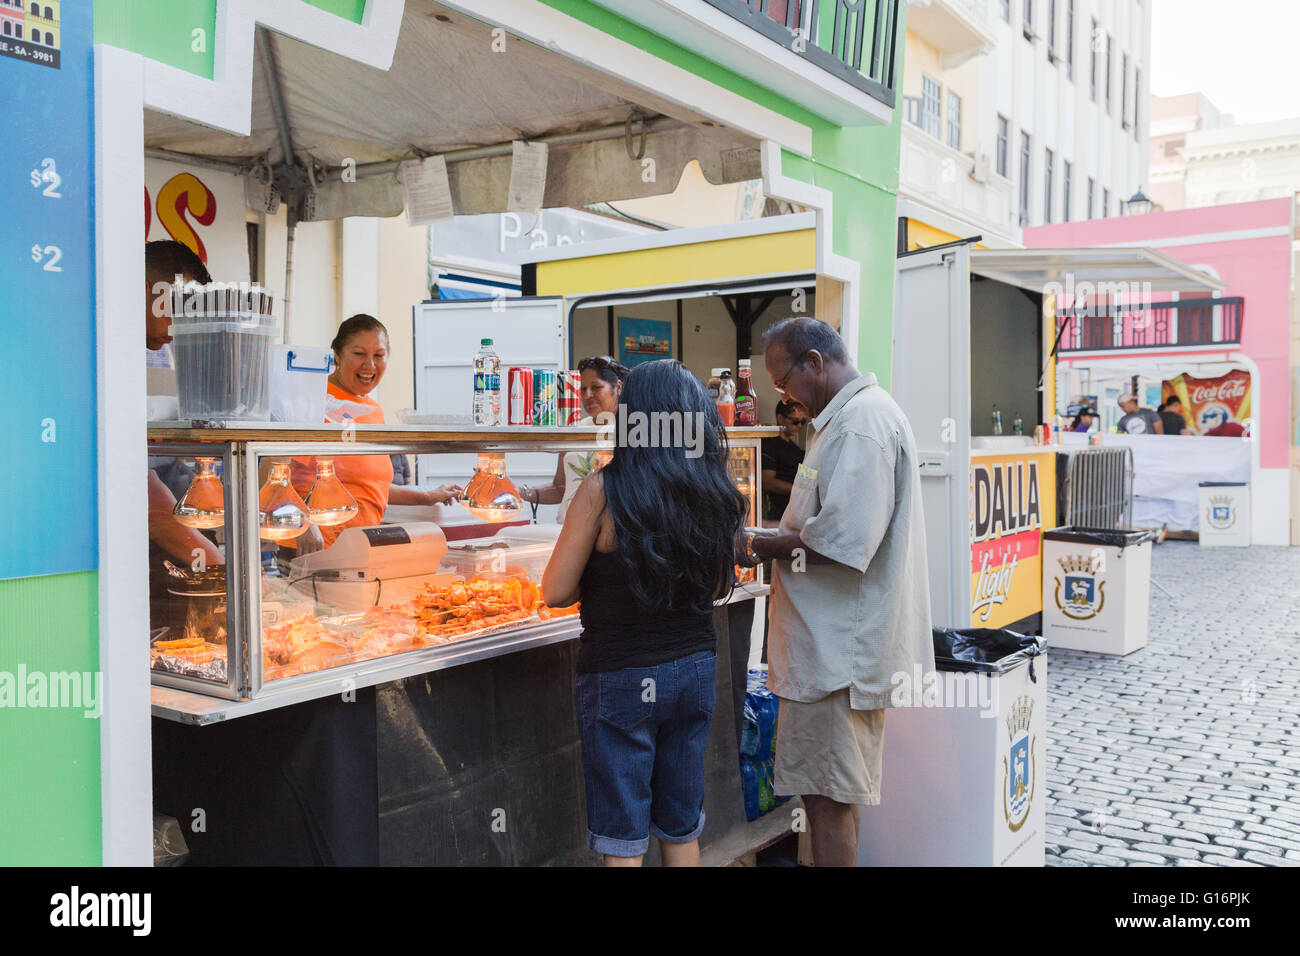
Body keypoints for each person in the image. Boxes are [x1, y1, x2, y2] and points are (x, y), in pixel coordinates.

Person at [735, 316, 933, 868]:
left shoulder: (860, 425)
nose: (785, 396)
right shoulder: (841, 422)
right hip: (828, 655)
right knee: (833, 796)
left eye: (782, 382)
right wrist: (774, 539)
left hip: (838, 659)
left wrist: (758, 542)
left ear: (816, 362)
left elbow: (844, 543)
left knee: (828, 801)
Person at [541, 359, 744, 867]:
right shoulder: (715, 491)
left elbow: (555, 592)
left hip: (620, 676)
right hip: (695, 670)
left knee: (623, 837)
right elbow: (722, 583)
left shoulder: (602, 491)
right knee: (680, 826)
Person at [292, 315, 461, 549]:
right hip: (313, 547)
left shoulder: (373, 410)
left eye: (378, 356)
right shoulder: (314, 400)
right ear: (337, 355)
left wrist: (427, 497)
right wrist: (304, 526)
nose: (369, 365)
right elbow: (278, 475)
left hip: (359, 545)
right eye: (359, 354)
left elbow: (371, 487)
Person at [144, 241, 224, 572]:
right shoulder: (90, 350)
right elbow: (151, 507)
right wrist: (223, 569)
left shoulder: (154, 351)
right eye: (178, 308)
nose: (180, 328)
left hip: (172, 547)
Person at [519, 356, 628, 522]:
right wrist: (520, 493)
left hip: (608, 533)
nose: (588, 395)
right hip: (567, 529)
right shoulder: (575, 430)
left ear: (617, 387)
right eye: (582, 389)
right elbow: (560, 488)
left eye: (596, 387)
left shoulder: (631, 432)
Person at [761, 400, 807, 522]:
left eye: (802, 421)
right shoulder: (769, 444)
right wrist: (800, 490)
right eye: (795, 421)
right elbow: (768, 482)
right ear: (780, 418)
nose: (799, 426)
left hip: (796, 512)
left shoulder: (795, 448)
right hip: (779, 514)